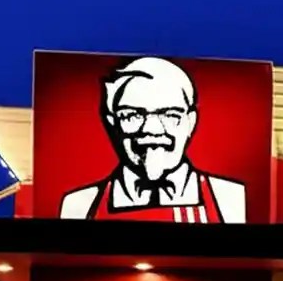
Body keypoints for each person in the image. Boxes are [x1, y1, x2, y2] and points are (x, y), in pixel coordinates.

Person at [58, 57, 245, 223]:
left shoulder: (228, 197)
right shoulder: (80, 206)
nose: (152, 129)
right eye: (132, 115)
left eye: (170, 115)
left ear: (190, 121)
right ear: (112, 122)